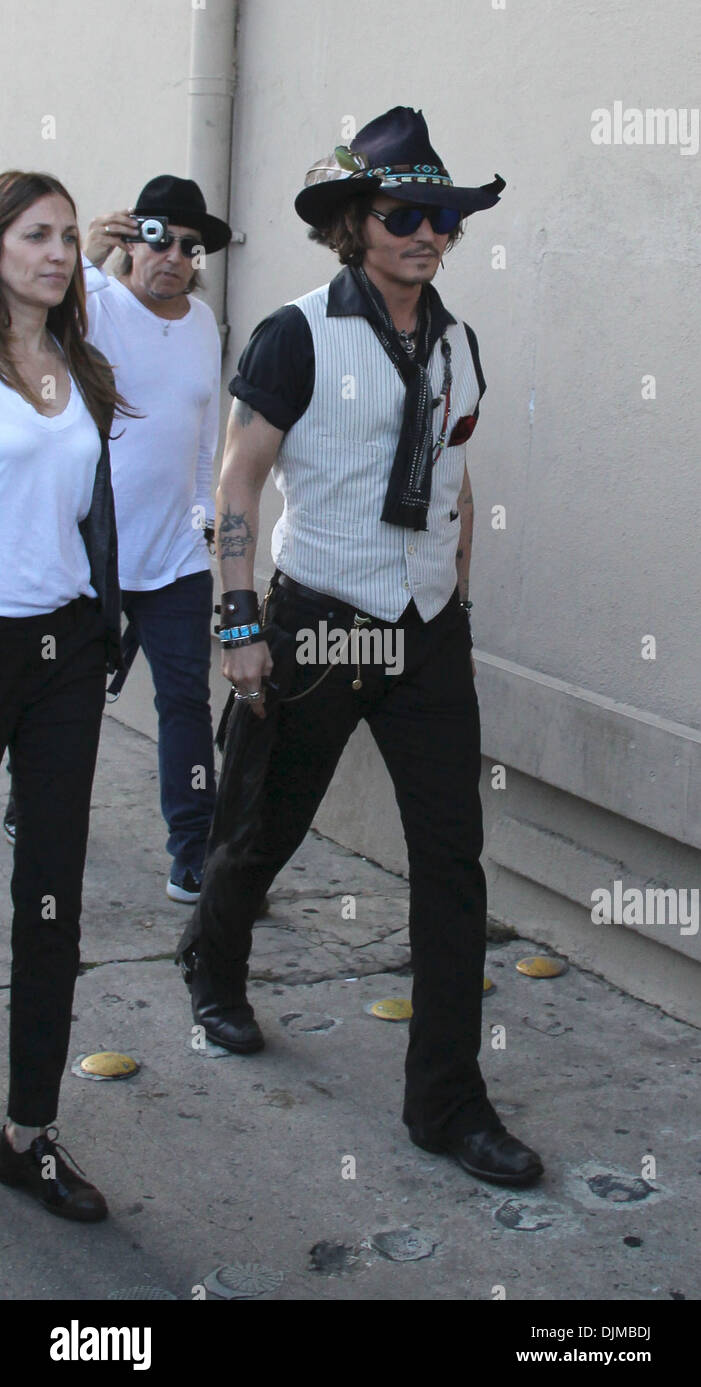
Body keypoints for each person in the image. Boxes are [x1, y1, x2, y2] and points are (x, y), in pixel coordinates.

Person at [178, 107, 544, 1187]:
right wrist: (239, 620)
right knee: (260, 826)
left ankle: (445, 1103)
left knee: (449, 865)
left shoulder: (458, 342)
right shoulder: (295, 332)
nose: (425, 234)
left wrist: (455, 598)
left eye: (440, 217)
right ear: (353, 224)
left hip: (427, 636)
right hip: (317, 616)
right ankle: (213, 956)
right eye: (402, 216)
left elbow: (455, 478)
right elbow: (238, 479)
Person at [0, 169, 131, 1219]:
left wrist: (106, 624)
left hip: (64, 657)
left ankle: (29, 1128)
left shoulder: (81, 367)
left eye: (64, 239)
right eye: (34, 235)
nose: (56, 253)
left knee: (50, 898)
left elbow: (94, 515)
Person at [79, 176, 231, 902]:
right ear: (130, 240)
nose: (173, 255)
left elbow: (206, 436)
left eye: (188, 246)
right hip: (92, 555)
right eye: (157, 237)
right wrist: (84, 255)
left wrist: (203, 515)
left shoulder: (203, 322)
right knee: (67, 699)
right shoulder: (94, 306)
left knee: (185, 703)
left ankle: (192, 849)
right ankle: (31, 801)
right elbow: (31, 314)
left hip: (174, 556)